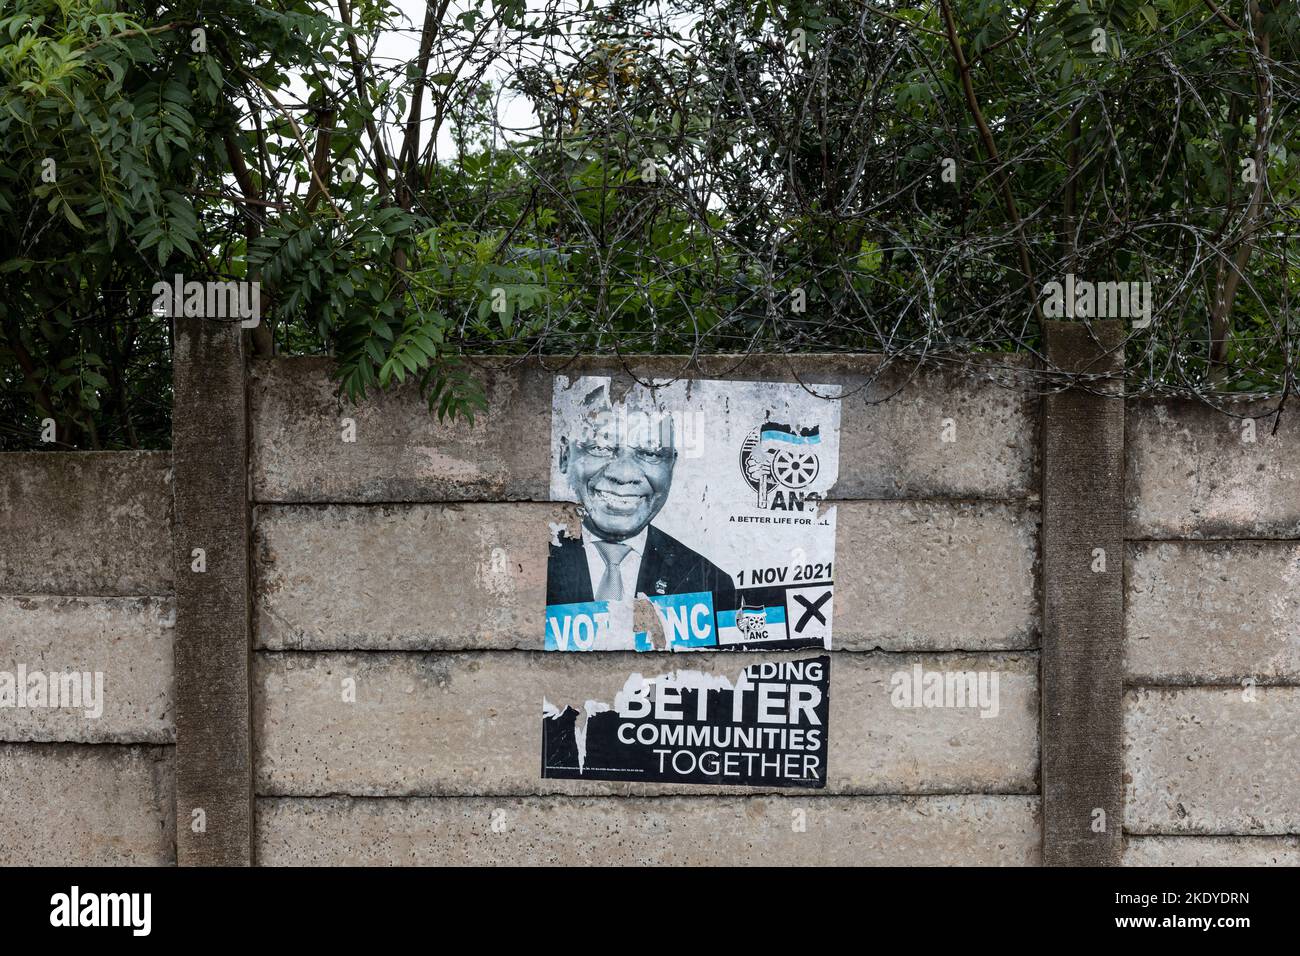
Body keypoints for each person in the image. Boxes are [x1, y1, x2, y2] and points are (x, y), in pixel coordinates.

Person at [547, 395, 737, 613]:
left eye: (650, 453)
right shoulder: (522, 557)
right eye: (601, 447)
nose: (624, 474)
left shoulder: (710, 586)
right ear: (565, 456)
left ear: (671, 466)